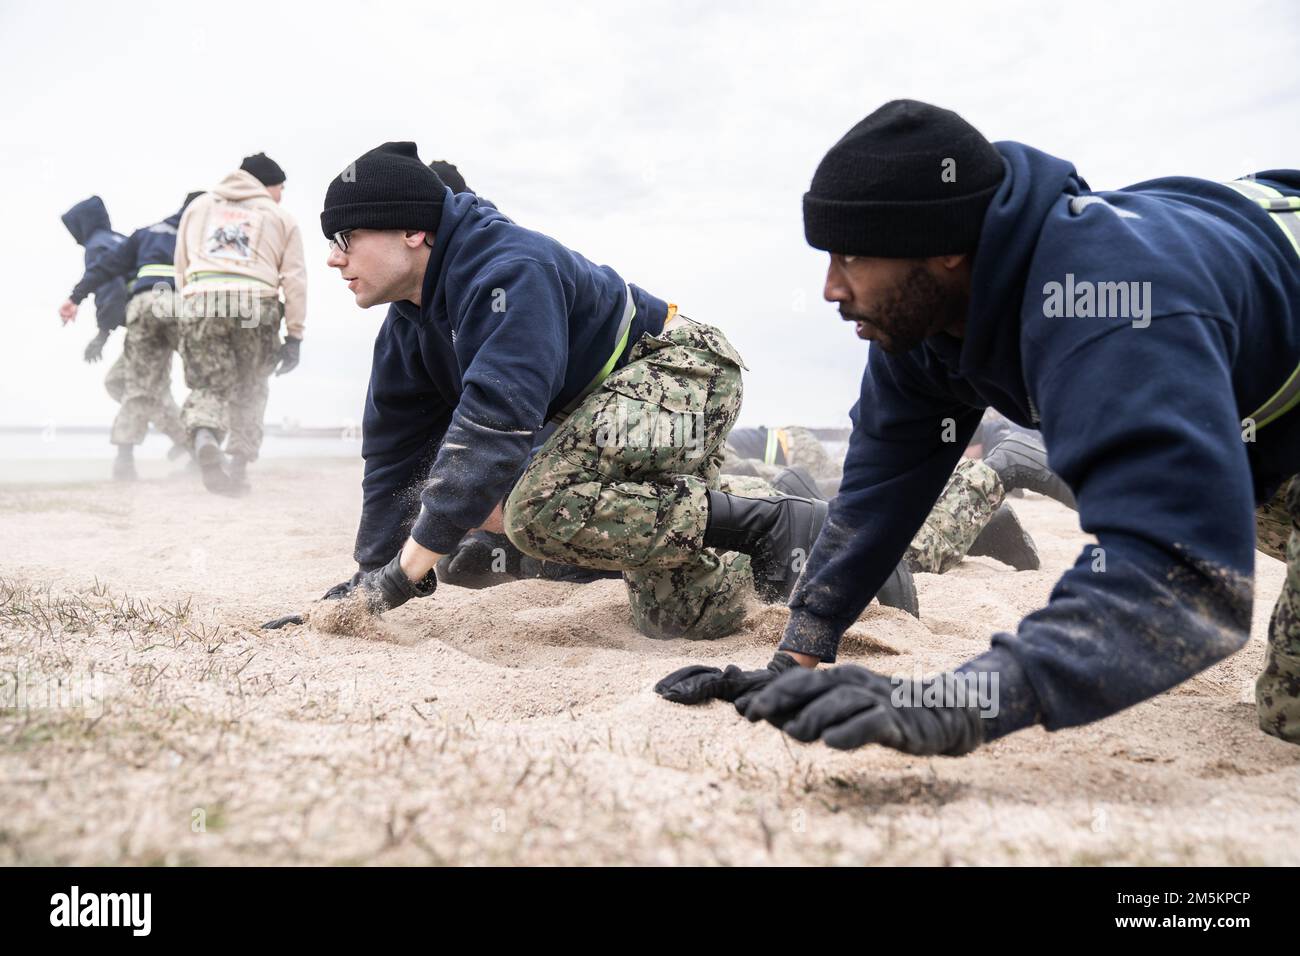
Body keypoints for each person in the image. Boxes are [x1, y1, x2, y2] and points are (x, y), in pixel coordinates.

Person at [658, 99, 1300, 756]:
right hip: (1247, 422)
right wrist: (791, 661)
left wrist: (954, 704)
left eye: (850, 256)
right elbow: (878, 496)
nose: (829, 288)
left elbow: (1182, 579)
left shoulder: (1108, 306)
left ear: (942, 252)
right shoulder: (918, 327)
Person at [289, 141, 836, 641]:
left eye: (346, 238)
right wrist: (366, 585)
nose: (334, 258)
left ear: (411, 230)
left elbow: (493, 428)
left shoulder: (508, 269)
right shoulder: (406, 327)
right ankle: (815, 550)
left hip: (684, 370)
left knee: (535, 505)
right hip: (610, 408)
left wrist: (403, 576)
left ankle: (775, 520)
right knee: (684, 619)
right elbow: (394, 458)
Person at [174, 153, 307, 495]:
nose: (281, 195)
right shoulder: (280, 217)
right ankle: (239, 469)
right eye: (281, 187)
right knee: (251, 385)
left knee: (208, 383)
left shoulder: (198, 208)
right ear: (268, 185)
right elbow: (294, 279)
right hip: (255, 302)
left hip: (202, 297)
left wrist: (188, 309)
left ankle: (205, 435)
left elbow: (181, 266)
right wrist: (294, 335)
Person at [60, 195, 197, 479]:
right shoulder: (118, 238)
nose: (74, 239)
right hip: (163, 314)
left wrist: (102, 333)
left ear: (82, 226)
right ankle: (187, 443)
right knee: (127, 384)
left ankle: (183, 448)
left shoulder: (98, 245)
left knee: (139, 388)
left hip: (146, 321)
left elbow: (110, 289)